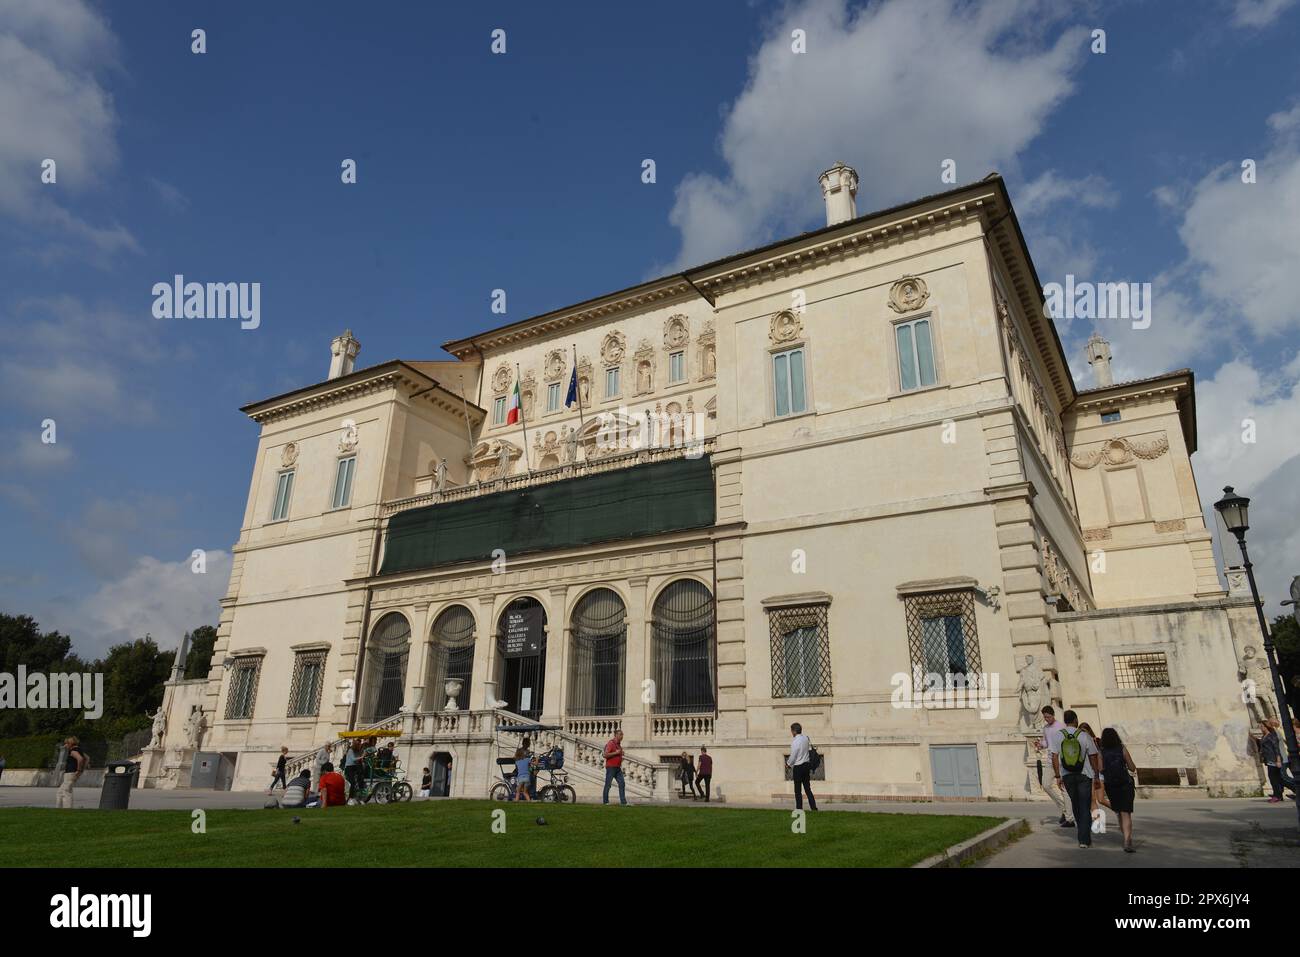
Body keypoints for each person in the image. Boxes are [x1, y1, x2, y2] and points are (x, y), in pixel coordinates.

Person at [1051, 710, 1101, 848]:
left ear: (1065, 720)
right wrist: (1096, 775)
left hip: (1067, 775)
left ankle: (1082, 833)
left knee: (1076, 804)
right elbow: (1093, 756)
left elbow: (1054, 757)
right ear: (1076, 719)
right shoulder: (1084, 736)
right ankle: (1084, 839)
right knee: (1085, 805)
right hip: (1084, 775)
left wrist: (1057, 776)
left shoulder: (1057, 736)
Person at [1099, 727, 1138, 853]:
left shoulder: (1101, 752)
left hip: (1111, 786)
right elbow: (1132, 767)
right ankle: (1127, 840)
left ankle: (1125, 835)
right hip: (1125, 784)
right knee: (1125, 812)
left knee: (1119, 812)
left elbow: (1100, 769)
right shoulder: (1122, 748)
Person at [1038, 706, 1074, 829]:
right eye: (1045, 717)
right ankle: (1064, 809)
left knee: (1064, 789)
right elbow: (1046, 743)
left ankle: (1069, 818)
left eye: (1048, 716)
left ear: (1053, 715)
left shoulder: (1061, 727)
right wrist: (1040, 745)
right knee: (1046, 785)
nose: (1046, 719)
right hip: (1049, 761)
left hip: (1061, 761)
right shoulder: (1046, 728)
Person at [787, 723, 817, 811]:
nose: (791, 733)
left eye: (792, 731)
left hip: (798, 767)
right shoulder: (805, 738)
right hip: (806, 765)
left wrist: (788, 764)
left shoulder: (795, 741)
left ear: (794, 731)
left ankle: (799, 809)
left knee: (797, 790)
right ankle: (813, 807)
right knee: (807, 789)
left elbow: (793, 755)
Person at [56, 736, 87, 808]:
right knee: (60, 792)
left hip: (70, 773)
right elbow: (87, 758)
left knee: (66, 792)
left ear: (70, 743)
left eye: (66, 743)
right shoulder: (79, 750)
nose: (65, 745)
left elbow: (80, 759)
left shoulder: (73, 751)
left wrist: (79, 770)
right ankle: (58, 808)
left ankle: (67, 809)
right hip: (71, 773)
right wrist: (82, 769)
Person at [1259, 720, 1285, 802]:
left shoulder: (1271, 736)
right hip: (1268, 759)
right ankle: (1278, 795)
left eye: (1262, 726)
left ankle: (1277, 796)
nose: (1260, 728)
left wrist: (1278, 760)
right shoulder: (1264, 736)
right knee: (1274, 778)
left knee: (1274, 779)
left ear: (1266, 727)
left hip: (1273, 760)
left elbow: (1276, 748)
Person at [602, 730, 627, 805]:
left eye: (622, 735)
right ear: (616, 735)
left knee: (622, 783)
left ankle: (623, 802)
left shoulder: (619, 745)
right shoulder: (611, 743)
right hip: (611, 767)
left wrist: (621, 754)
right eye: (620, 735)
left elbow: (618, 755)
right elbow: (605, 755)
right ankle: (605, 802)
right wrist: (616, 753)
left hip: (617, 768)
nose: (621, 736)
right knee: (608, 784)